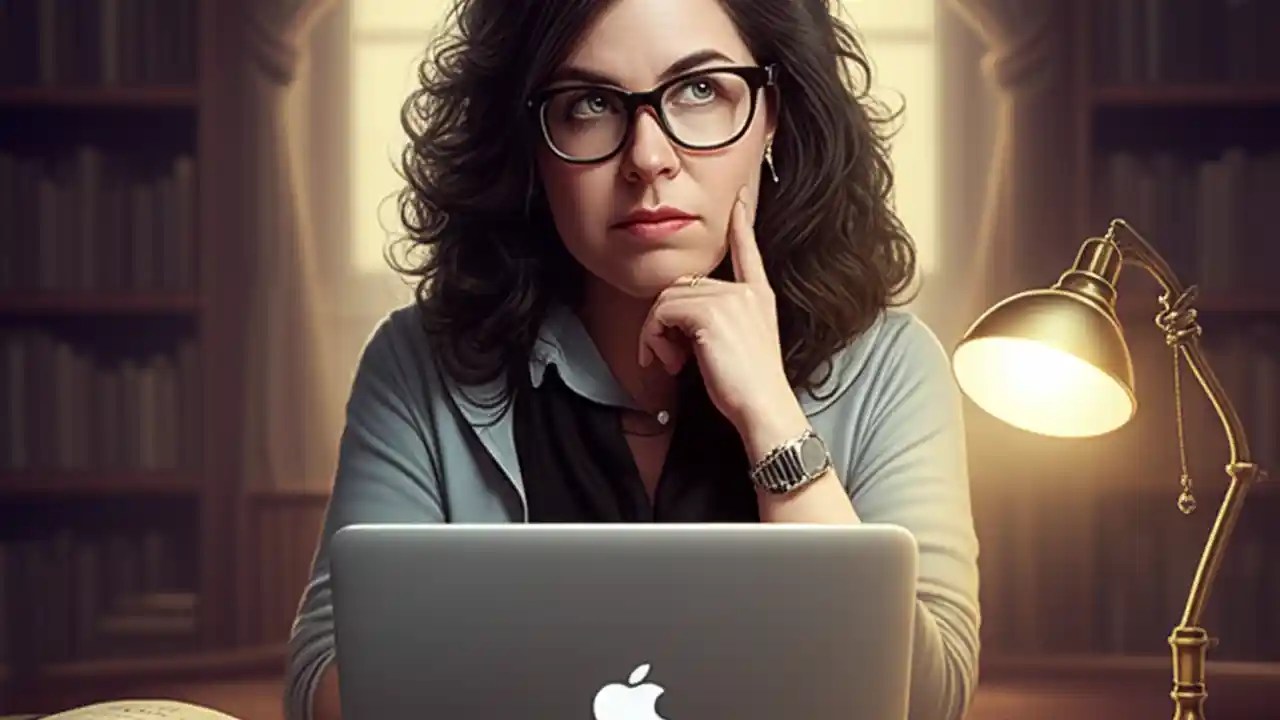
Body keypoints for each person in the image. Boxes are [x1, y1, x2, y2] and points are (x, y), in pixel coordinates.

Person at [285, 0, 980, 718]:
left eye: (701, 89)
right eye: (588, 103)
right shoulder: (417, 363)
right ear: (530, 143)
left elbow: (929, 702)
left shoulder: (893, 366)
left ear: (772, 116)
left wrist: (772, 417)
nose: (648, 158)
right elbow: (325, 689)